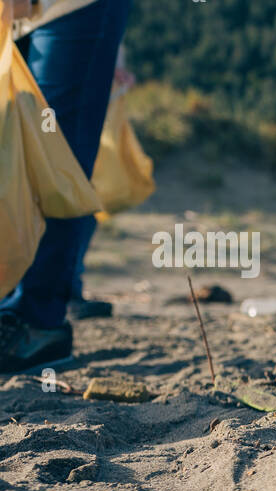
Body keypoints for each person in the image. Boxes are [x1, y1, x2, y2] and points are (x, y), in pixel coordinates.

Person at [0, 0, 132, 374]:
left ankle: (38, 322)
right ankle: (11, 307)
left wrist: (118, 51)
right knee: (14, 152)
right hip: (16, 13)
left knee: (57, 153)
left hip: (74, 7)